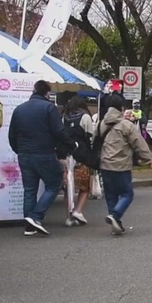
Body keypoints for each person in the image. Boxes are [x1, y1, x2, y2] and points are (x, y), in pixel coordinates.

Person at [7, 80, 71, 236]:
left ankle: (29, 226)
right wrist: (71, 144)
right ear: (47, 93)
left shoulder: (19, 109)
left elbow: (12, 135)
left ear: (34, 91)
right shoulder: (49, 108)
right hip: (44, 153)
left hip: (24, 154)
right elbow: (58, 131)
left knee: (29, 190)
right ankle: (35, 217)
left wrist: (19, 150)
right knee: (54, 184)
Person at [98, 94, 152, 235]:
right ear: (121, 108)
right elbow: (139, 144)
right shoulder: (126, 125)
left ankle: (115, 223)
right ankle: (115, 215)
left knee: (111, 195)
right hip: (121, 166)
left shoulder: (101, 124)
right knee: (127, 194)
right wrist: (150, 161)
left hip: (105, 165)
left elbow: (96, 143)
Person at [62, 96, 96, 226]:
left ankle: (69, 217)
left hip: (66, 156)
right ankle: (78, 211)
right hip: (81, 156)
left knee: (68, 188)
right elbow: (90, 138)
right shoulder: (85, 117)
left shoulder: (63, 117)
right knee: (84, 187)